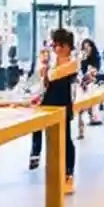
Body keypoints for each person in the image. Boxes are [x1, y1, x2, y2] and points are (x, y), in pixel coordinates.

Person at [32, 28, 79, 195]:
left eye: (61, 45)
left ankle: (69, 173)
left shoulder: (72, 62)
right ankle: (38, 156)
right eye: (55, 45)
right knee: (43, 133)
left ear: (68, 46)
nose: (57, 49)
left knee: (65, 138)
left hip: (63, 103)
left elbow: (54, 76)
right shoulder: (51, 62)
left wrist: (46, 71)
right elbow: (43, 81)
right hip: (47, 102)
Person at [79, 38, 102, 126]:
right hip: (84, 82)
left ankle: (94, 116)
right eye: (85, 47)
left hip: (93, 82)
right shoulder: (82, 59)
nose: (87, 49)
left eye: (88, 47)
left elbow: (95, 71)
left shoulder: (96, 58)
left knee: (91, 90)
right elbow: (81, 71)